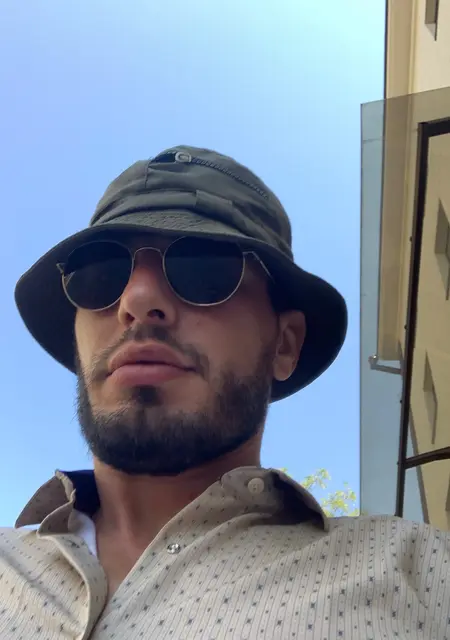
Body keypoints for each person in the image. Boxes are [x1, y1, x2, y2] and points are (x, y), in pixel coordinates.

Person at [3, 146, 448, 640]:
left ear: (284, 344)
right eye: (99, 273)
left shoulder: (420, 577)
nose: (137, 299)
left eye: (203, 265)